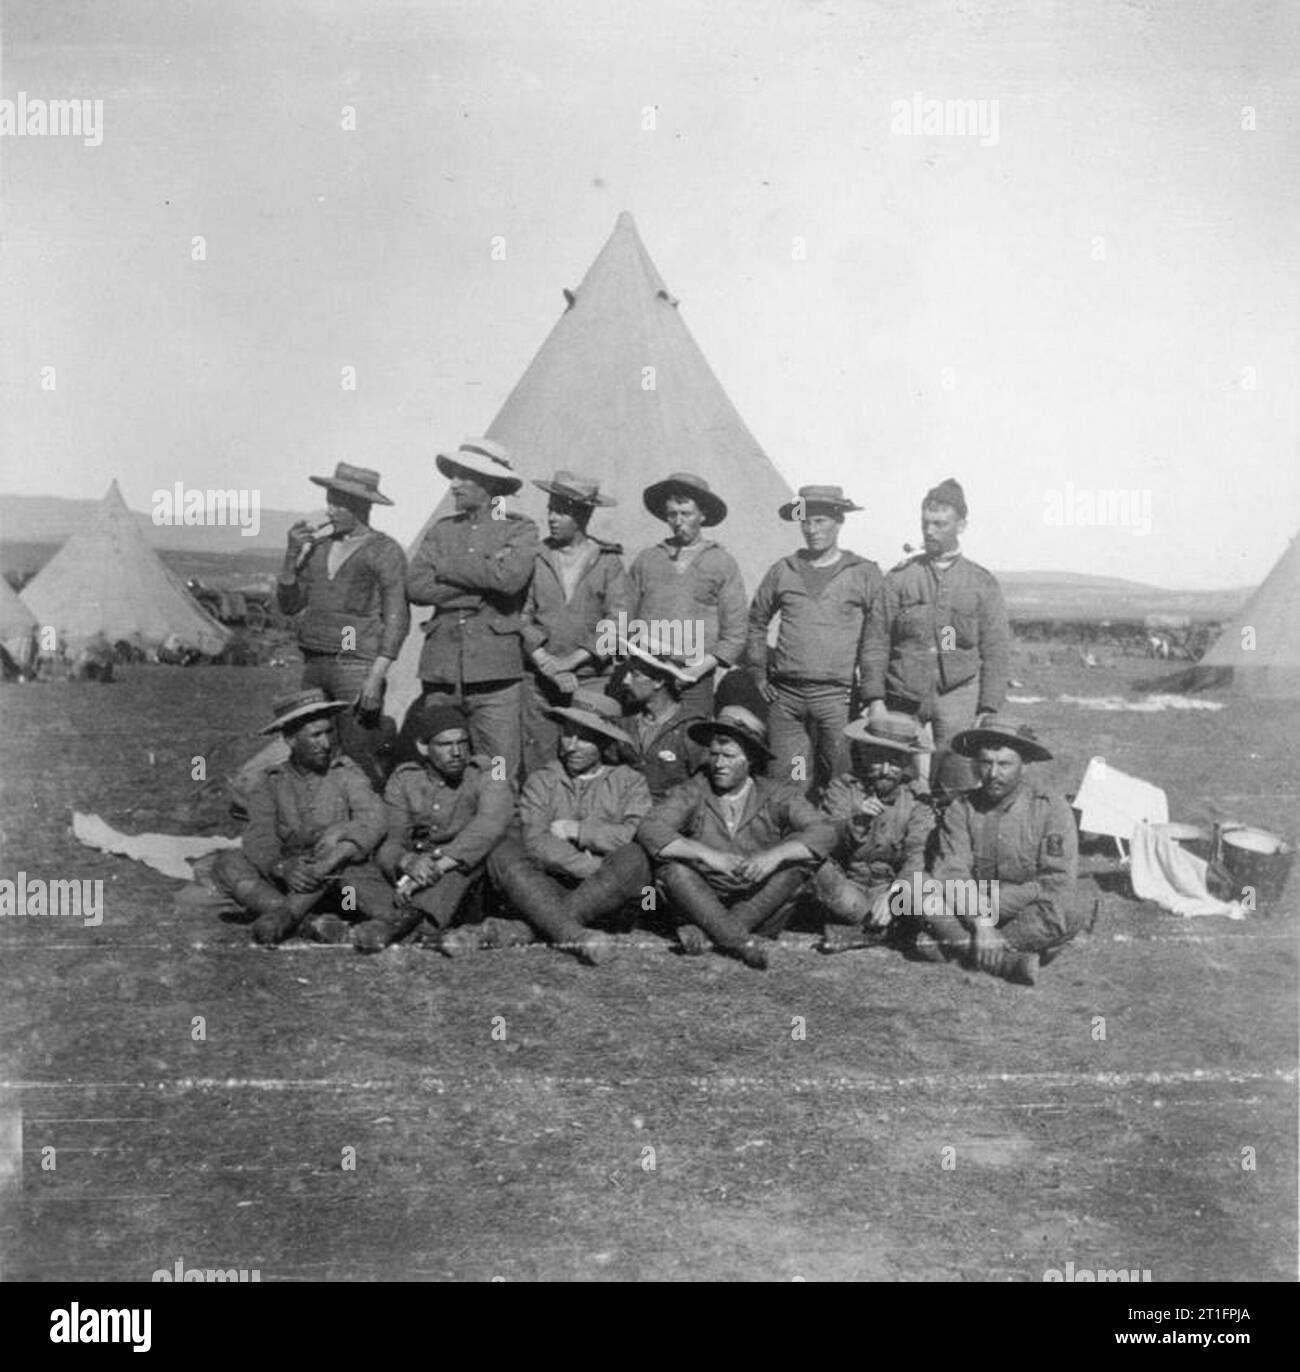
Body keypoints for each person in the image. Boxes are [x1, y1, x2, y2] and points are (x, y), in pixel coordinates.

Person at [637, 705, 836, 969]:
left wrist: (774, 856)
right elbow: (650, 828)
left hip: (756, 901)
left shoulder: (777, 793)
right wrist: (708, 855)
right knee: (672, 870)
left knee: (799, 866)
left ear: (751, 759)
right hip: (700, 898)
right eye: (714, 754)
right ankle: (740, 942)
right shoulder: (693, 790)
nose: (718, 764)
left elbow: (825, 831)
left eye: (729, 756)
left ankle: (712, 935)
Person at [404, 439, 540, 782]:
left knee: (498, 767)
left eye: (464, 477)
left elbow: (509, 580)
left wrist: (445, 568)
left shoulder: (520, 528)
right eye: (454, 476)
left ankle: (497, 830)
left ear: (490, 483)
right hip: (441, 668)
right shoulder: (442, 530)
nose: (453, 484)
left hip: (496, 671)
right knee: (440, 763)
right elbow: (416, 587)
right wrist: (480, 581)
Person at [212, 690, 392, 946]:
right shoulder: (270, 782)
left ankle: (286, 917)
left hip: (341, 884)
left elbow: (374, 818)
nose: (326, 743)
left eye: (329, 732)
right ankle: (310, 924)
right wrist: (282, 867)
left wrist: (341, 834)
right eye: (315, 735)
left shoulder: (346, 772)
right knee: (226, 864)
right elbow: (259, 837)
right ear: (291, 739)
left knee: (350, 866)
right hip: (292, 880)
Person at [485, 693, 654, 965]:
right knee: (503, 852)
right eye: (567, 735)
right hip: (550, 886)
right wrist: (592, 868)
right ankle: (574, 933)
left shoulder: (630, 782)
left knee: (634, 858)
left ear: (604, 742)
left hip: (610, 898)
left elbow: (634, 835)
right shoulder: (543, 780)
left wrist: (578, 830)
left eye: (583, 738)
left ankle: (538, 927)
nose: (571, 746)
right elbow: (535, 840)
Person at [861, 478, 1010, 778]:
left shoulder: (981, 583)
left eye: (940, 524)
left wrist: (989, 706)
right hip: (902, 692)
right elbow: (876, 641)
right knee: (895, 774)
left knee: (957, 775)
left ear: (961, 525)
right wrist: (874, 698)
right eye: (925, 523)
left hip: (959, 693)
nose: (930, 531)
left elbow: (996, 650)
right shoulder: (900, 579)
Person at [277, 463, 409, 790]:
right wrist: (291, 554)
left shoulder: (385, 550)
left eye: (339, 503)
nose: (330, 510)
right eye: (330, 500)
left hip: (355, 666)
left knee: (359, 751)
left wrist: (375, 677)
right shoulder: (318, 547)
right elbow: (289, 604)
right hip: (314, 663)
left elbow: (397, 618)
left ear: (360, 506)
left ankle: (371, 826)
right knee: (315, 750)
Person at [746, 484, 882, 796]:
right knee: (790, 776)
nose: (811, 529)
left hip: (836, 699)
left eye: (820, 521)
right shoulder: (784, 570)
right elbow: (756, 621)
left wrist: (871, 692)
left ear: (839, 521)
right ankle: (790, 837)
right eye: (805, 521)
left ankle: (837, 840)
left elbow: (877, 638)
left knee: (839, 778)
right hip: (787, 700)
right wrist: (757, 670)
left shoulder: (863, 573)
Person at [922, 718, 1079, 985]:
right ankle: (1008, 960)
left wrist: (996, 911)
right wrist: (982, 923)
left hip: (1026, 907)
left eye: (1005, 764)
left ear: (1024, 765)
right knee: (920, 889)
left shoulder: (1050, 807)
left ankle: (960, 946)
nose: (993, 774)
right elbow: (953, 872)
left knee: (1070, 910)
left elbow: (1056, 881)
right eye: (986, 763)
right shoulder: (961, 808)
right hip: (970, 905)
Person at [356, 704, 515, 953]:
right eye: (445, 745)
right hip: (418, 869)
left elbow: (489, 825)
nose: (457, 753)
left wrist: (437, 867)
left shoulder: (493, 768)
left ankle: (401, 925)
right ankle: (403, 921)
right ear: (423, 747)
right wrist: (408, 862)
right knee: (352, 875)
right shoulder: (404, 778)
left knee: (461, 868)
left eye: (462, 743)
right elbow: (392, 840)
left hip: (464, 866)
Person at [520, 470, 632, 775]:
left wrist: (570, 662)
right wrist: (545, 662)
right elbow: (521, 615)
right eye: (550, 510)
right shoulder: (536, 556)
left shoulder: (608, 561)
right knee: (539, 762)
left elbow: (618, 623)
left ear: (583, 515)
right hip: (540, 681)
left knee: (586, 756)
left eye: (562, 511)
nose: (552, 518)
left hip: (591, 679)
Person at [627, 472, 747, 719]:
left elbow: (735, 633)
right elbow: (625, 617)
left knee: (692, 741)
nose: (678, 521)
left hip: (694, 678)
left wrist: (698, 669)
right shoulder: (647, 559)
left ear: (702, 515)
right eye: (672, 515)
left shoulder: (721, 562)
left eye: (686, 514)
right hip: (648, 675)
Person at [815, 712, 935, 954]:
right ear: (864, 754)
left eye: (895, 762)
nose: (886, 770)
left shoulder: (916, 798)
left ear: (905, 763)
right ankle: (888, 931)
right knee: (812, 867)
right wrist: (856, 821)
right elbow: (825, 841)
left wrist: (897, 892)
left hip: (891, 891)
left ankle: (869, 930)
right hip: (848, 888)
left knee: (930, 882)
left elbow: (918, 853)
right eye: (878, 760)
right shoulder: (842, 788)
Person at [611, 640, 707, 800]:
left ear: (658, 682)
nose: (625, 681)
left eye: (635, 675)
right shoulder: (626, 725)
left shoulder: (689, 727)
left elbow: (701, 786)